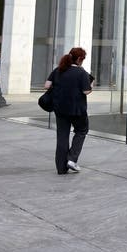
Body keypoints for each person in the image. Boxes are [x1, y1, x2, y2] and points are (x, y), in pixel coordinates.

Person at [44, 47, 93, 175]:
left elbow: (47, 85)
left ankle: (61, 168)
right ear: (79, 59)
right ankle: (72, 159)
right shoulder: (81, 73)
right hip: (77, 109)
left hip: (60, 108)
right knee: (81, 131)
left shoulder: (58, 70)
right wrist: (91, 85)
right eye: (82, 59)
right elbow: (86, 91)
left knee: (62, 136)